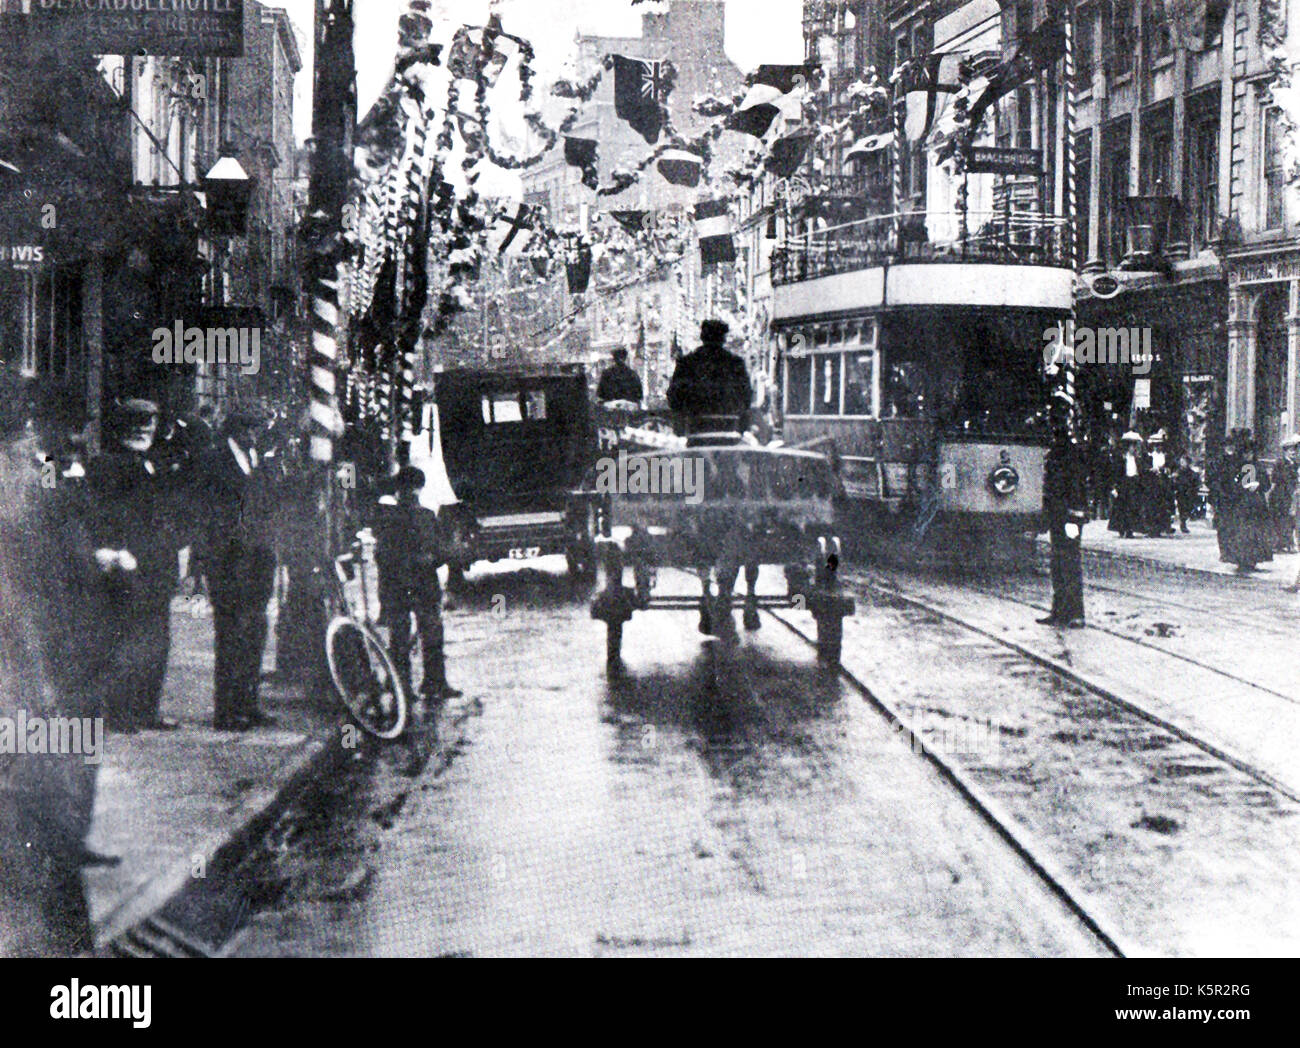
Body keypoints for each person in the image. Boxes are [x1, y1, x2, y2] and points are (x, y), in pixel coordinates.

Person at [0, 370, 104, 954]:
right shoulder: (23, 477)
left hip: (32, 662)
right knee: (42, 811)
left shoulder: (29, 470)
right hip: (30, 665)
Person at [83, 399, 185, 733]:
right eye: (137, 423)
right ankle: (121, 712)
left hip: (158, 566)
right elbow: (103, 518)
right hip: (129, 564)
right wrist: (114, 552)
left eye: (150, 423)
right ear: (123, 426)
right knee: (127, 639)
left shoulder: (153, 463)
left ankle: (146, 710)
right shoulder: (107, 465)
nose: (144, 429)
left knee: (157, 640)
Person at [195, 407, 280, 730]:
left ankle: (249, 702)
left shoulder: (258, 457)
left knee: (255, 629)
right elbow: (205, 511)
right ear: (237, 430)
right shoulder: (214, 459)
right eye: (251, 430)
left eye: (258, 430)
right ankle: (226, 709)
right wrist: (204, 558)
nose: (256, 436)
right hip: (227, 559)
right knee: (230, 633)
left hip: (258, 556)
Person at [370, 465, 461, 705]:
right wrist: (430, 559)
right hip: (422, 583)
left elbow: (380, 555)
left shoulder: (386, 519)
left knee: (400, 637)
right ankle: (434, 683)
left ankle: (401, 686)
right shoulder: (426, 516)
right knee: (431, 633)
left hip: (397, 585)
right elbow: (441, 552)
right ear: (419, 488)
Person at [666, 319, 752, 435]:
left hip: (694, 427)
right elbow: (746, 396)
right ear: (723, 339)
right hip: (728, 427)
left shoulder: (687, 363)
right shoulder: (735, 363)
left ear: (702, 337)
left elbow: (674, 397)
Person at [1039, 434, 1088, 628]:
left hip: (1070, 517)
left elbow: (1073, 488)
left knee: (1069, 560)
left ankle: (1075, 613)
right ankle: (1060, 611)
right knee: (1059, 561)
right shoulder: (1057, 455)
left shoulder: (1069, 456)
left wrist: (1073, 515)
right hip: (1059, 516)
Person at [1217, 430, 1273, 573]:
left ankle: (1253, 559)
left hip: (1256, 505)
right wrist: (1241, 489)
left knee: (1256, 533)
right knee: (1241, 533)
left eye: (1251, 453)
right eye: (1246, 453)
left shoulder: (1259, 467)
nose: (1248, 456)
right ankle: (1241, 559)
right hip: (1241, 505)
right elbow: (1230, 484)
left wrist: (1258, 485)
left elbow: (1266, 484)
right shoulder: (1236, 468)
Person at [1108, 431, 1146, 539]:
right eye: (1132, 447)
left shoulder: (1137, 459)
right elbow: (1117, 472)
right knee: (1122, 508)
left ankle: (1130, 529)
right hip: (1124, 484)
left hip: (1133, 483)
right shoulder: (1121, 459)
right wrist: (1115, 486)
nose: (1134, 449)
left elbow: (1139, 471)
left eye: (1135, 447)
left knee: (1133, 507)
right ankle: (1121, 528)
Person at [1141, 430, 1175, 536]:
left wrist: (1166, 470)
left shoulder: (1166, 456)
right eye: (1156, 445)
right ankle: (1151, 528)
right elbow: (1144, 469)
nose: (1158, 447)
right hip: (1152, 484)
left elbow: (1171, 468)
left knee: (1163, 506)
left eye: (1160, 445)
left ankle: (1163, 527)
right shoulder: (1149, 456)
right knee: (1152, 506)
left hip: (1163, 483)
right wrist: (1151, 470)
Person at [1270, 434, 1298, 553]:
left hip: (1291, 495)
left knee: (1290, 520)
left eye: (1294, 450)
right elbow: (1275, 478)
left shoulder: (1295, 464)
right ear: (1285, 452)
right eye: (1291, 450)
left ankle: (1287, 543)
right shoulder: (1280, 463)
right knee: (1280, 519)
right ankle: (1278, 544)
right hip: (1280, 495)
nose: (1293, 453)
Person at [1171, 452, 1202, 534]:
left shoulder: (1192, 473)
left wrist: (1196, 488)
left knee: (1188, 508)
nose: (1183, 464)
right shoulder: (1178, 472)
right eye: (1181, 462)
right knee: (1182, 508)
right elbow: (1174, 482)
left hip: (1190, 493)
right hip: (1181, 492)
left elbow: (1196, 482)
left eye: (1184, 462)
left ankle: (1185, 520)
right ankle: (1183, 523)